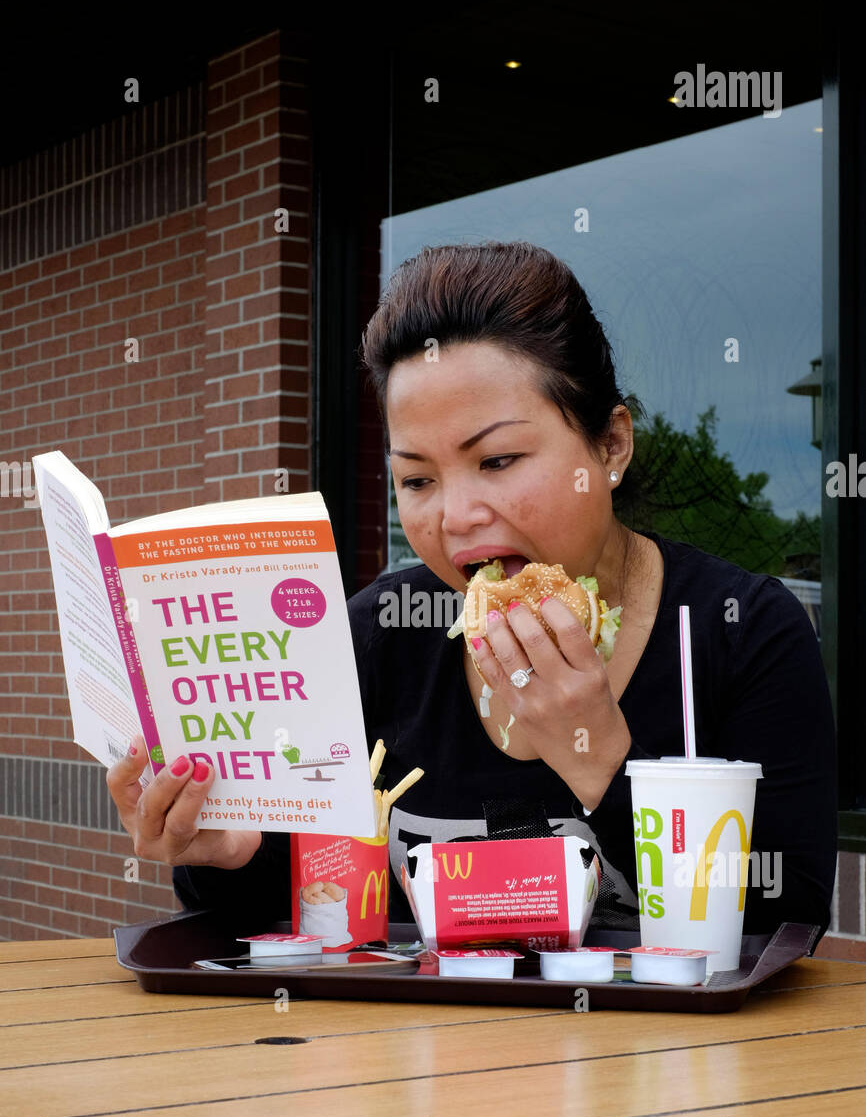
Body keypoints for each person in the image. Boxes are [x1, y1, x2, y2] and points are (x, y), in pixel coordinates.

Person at [107, 241, 837, 940]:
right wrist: (227, 854)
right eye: (417, 479)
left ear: (610, 445)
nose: (455, 518)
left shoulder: (740, 632)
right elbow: (301, 910)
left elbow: (787, 918)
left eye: (497, 459)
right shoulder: (376, 636)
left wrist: (602, 762)